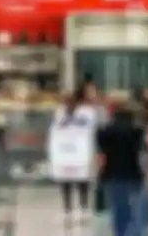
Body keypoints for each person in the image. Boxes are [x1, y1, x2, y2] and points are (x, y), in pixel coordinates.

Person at [96, 101, 148, 236]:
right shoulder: (137, 132)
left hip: (112, 175)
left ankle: (120, 233)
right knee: (135, 211)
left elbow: (101, 147)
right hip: (133, 174)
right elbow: (142, 148)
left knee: (118, 209)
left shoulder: (105, 132)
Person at [50, 90, 96, 224]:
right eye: (66, 101)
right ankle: (67, 210)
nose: (68, 104)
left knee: (82, 183)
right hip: (64, 153)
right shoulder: (59, 113)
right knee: (65, 184)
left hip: (80, 154)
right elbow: (55, 131)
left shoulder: (87, 113)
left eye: (71, 101)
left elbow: (90, 129)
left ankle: (84, 209)